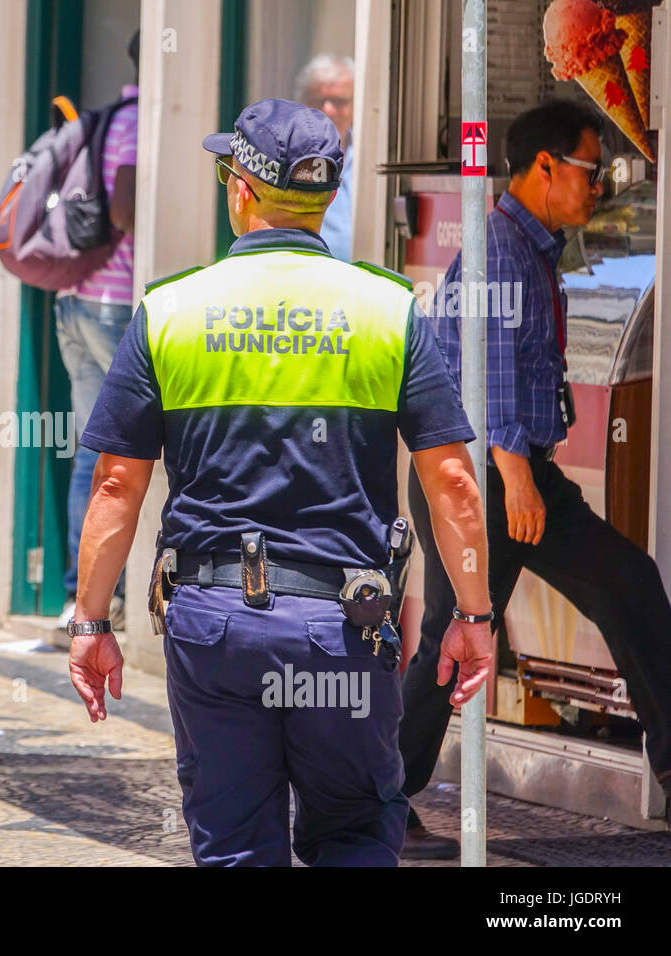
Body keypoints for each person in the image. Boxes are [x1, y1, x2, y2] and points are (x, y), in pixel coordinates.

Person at [66, 99, 495, 866]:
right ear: (328, 198)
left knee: (234, 842)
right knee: (356, 834)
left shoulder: (170, 311)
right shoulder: (388, 309)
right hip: (345, 629)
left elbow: (114, 486)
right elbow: (454, 482)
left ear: (239, 187)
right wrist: (474, 614)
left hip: (215, 627)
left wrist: (92, 623)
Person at [399, 99, 671, 859]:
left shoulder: (532, 246)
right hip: (482, 480)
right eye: (592, 170)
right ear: (544, 167)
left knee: (628, 582)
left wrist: (525, 479)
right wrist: (517, 482)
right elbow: (485, 380)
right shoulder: (501, 253)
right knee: (451, 641)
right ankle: (372, 799)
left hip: (514, 476)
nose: (601, 188)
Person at [55, 29, 139, 629]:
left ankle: (79, 591)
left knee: (93, 451)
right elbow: (123, 210)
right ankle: (115, 593)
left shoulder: (105, 118)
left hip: (75, 300)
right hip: (114, 303)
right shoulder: (137, 123)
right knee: (125, 454)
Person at [296, 54, 354, 261]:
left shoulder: (370, 155)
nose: (328, 110)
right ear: (301, 102)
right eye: (318, 100)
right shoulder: (287, 156)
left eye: (338, 101)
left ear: (355, 107)